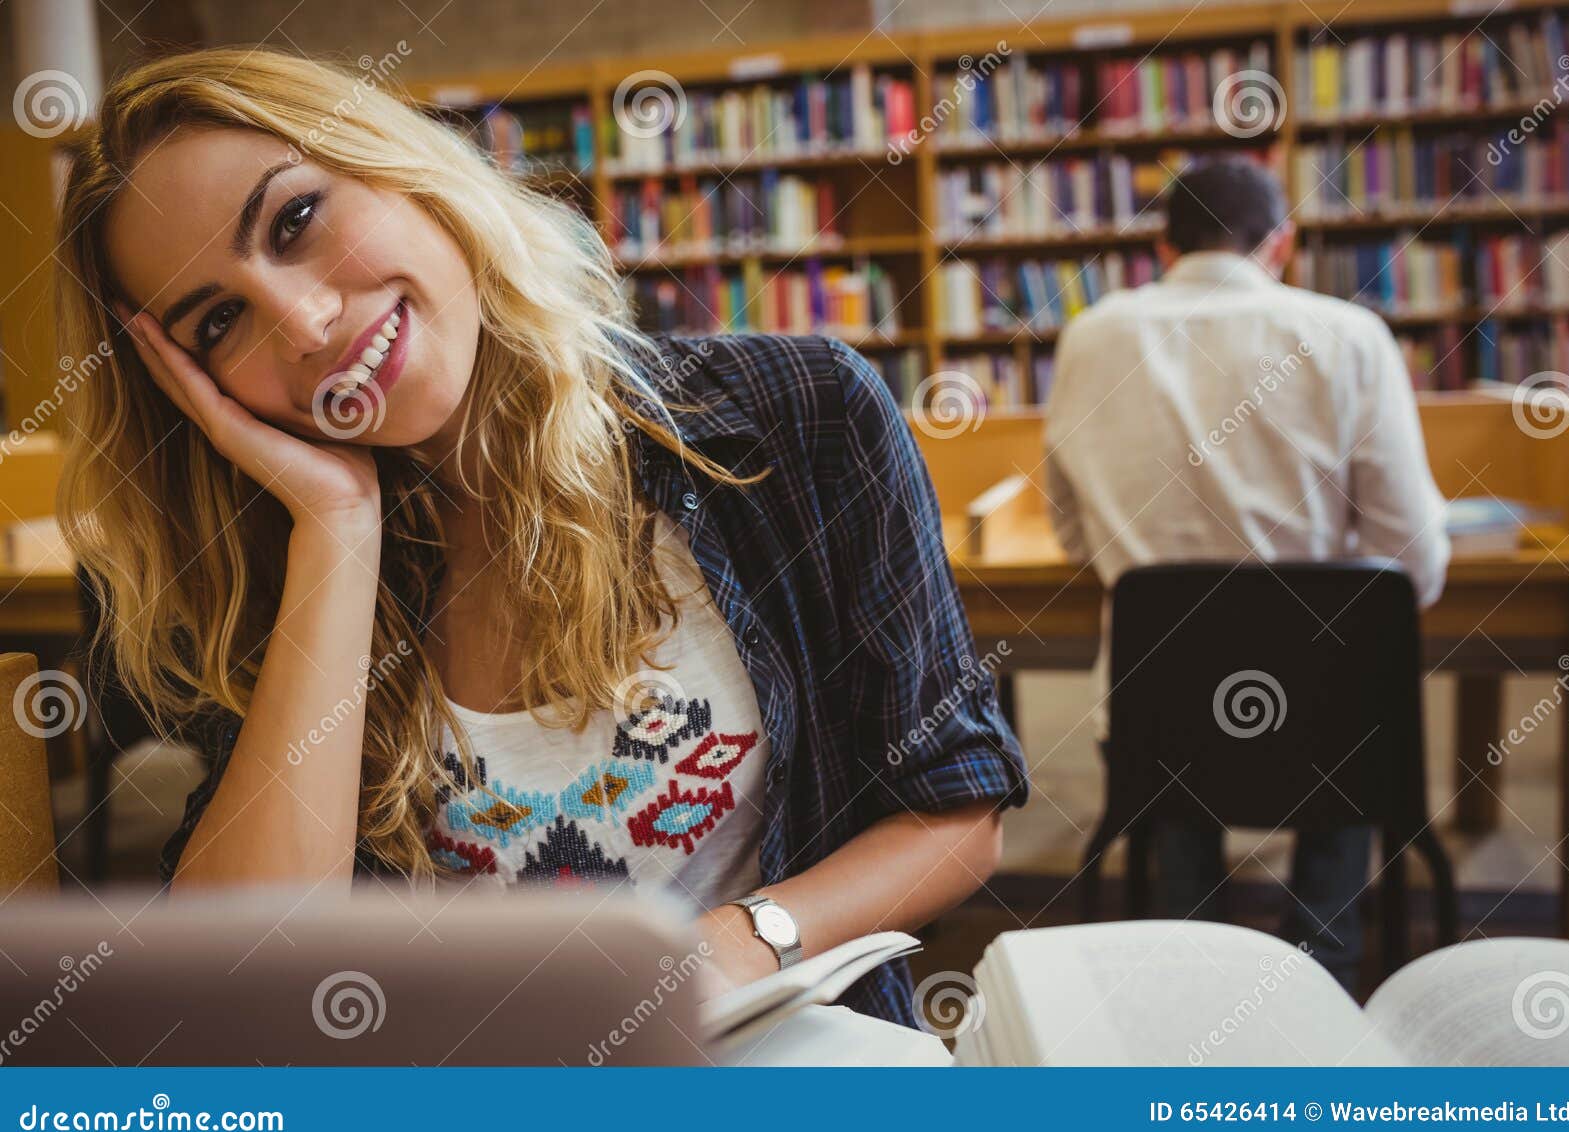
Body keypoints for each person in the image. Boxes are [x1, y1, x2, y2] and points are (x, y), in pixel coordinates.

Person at [55, 47, 1028, 1027]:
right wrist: (340, 531)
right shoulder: (273, 562)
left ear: (402, 167)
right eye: (220, 320)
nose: (305, 324)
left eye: (297, 219)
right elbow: (246, 973)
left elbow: (954, 810)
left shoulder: (800, 414)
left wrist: (743, 938)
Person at [1043, 157, 1449, 992]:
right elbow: (1412, 564)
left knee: (1178, 728)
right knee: (1355, 698)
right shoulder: (1348, 336)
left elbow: (1073, 533)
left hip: (1160, 713)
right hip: (1329, 723)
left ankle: (1196, 983)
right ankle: (1325, 977)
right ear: (1282, 244)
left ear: (1164, 244)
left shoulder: (1091, 336)